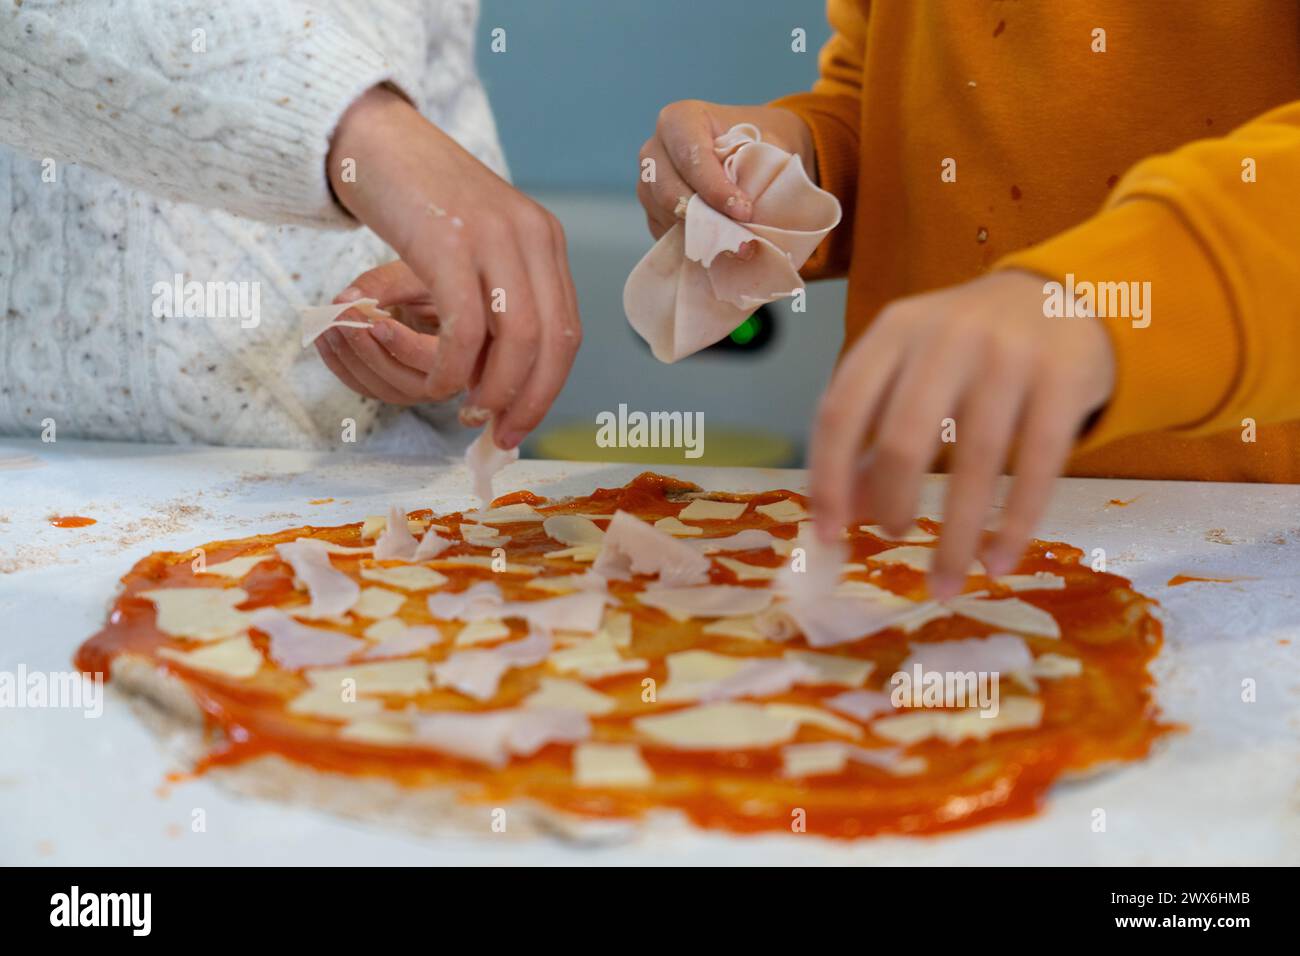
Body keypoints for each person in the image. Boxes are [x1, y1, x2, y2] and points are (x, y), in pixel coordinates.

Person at [638, 0, 1300, 596]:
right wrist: (787, 165)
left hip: (1233, 559)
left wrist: (1106, 301)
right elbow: (890, 98)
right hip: (905, 546)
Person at [0, 1, 578, 457]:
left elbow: (449, 161)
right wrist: (353, 125)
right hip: (56, 515)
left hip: (365, 514)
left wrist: (446, 337)